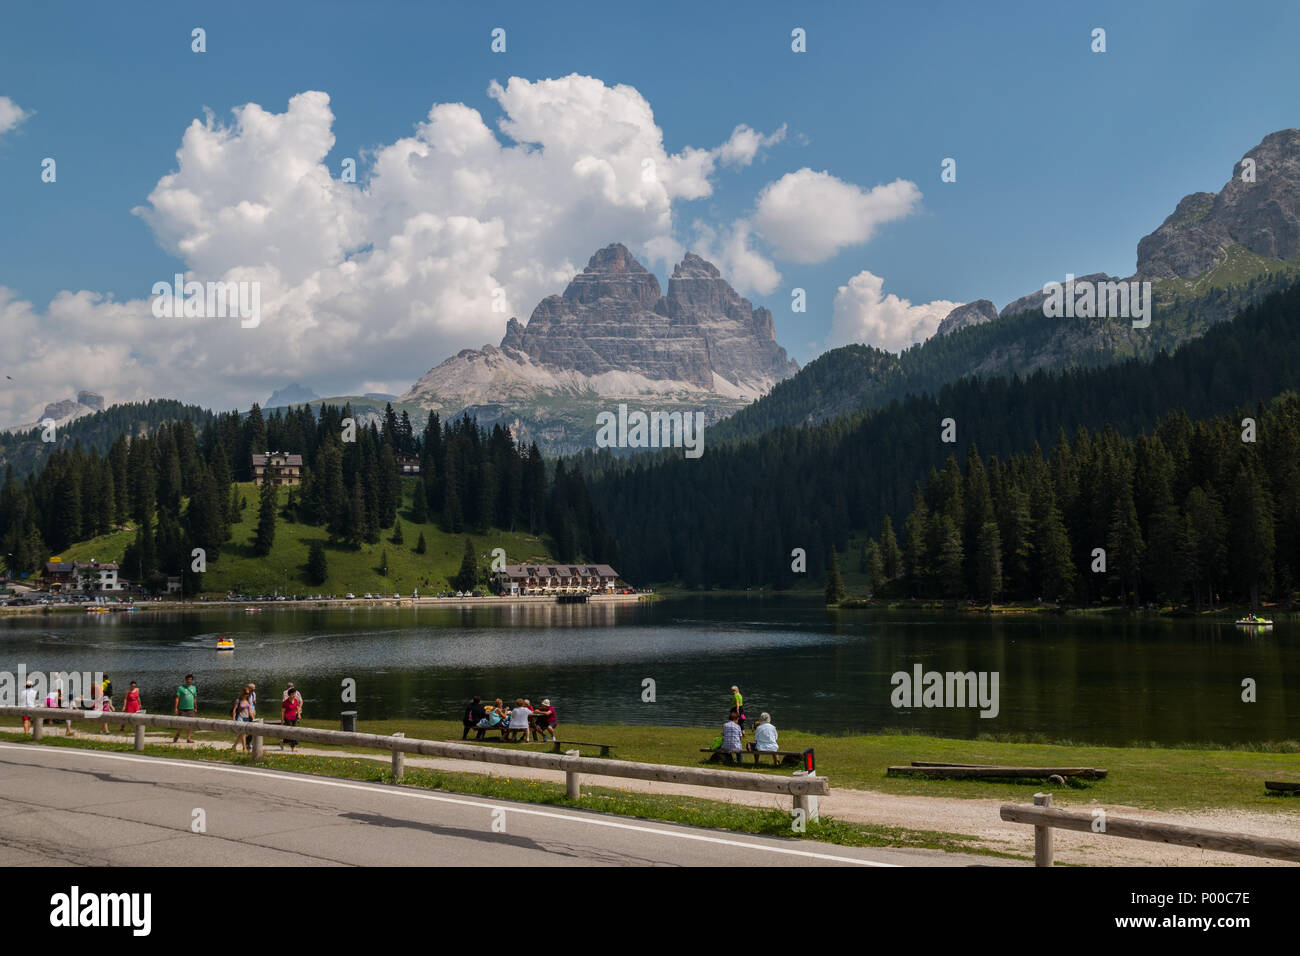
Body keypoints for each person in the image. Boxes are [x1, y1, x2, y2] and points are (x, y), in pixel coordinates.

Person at [172, 674, 197, 743]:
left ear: (192, 680)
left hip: (191, 709)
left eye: (190, 679)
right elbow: (177, 698)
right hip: (182, 709)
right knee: (181, 724)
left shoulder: (194, 688)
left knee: (190, 724)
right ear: (185, 680)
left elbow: (194, 698)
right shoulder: (181, 688)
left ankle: (188, 738)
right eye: (188, 679)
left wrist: (195, 707)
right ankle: (177, 734)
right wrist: (175, 708)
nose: (189, 681)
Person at [280, 683, 302, 752]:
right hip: (288, 718)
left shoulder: (295, 700)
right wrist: (282, 720)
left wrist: (299, 715)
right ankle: (293, 747)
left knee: (293, 732)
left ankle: (284, 741)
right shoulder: (285, 702)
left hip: (294, 717)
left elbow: (297, 708)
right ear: (289, 695)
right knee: (291, 732)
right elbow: (282, 712)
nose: (294, 695)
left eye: (295, 694)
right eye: (293, 694)